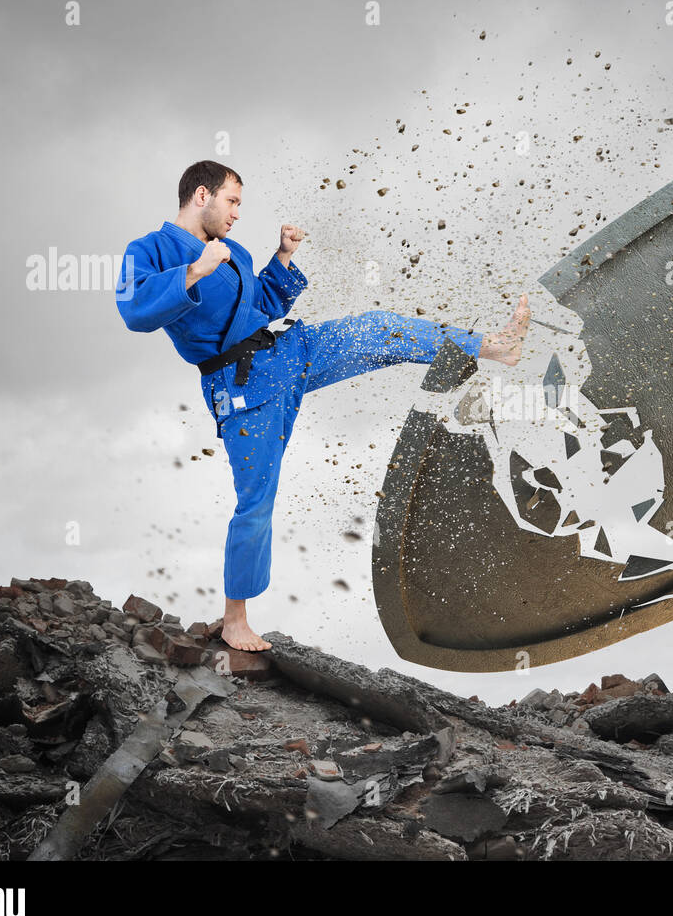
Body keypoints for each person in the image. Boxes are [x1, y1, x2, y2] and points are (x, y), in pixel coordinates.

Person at [116, 160, 530, 651]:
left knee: (379, 328)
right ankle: (235, 620)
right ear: (201, 195)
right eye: (232, 202)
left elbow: (264, 304)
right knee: (256, 500)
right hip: (243, 389)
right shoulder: (150, 250)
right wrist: (191, 272)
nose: (237, 214)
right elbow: (134, 310)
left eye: (240, 205)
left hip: (291, 351)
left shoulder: (234, 252)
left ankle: (494, 346)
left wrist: (284, 256)